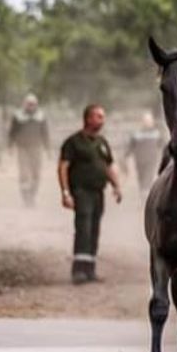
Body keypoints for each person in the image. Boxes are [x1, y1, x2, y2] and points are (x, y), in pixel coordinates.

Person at [58, 104, 122, 284]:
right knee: (83, 228)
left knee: (94, 229)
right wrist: (65, 193)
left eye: (103, 116)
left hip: (98, 192)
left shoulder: (102, 143)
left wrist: (116, 186)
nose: (102, 120)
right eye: (99, 116)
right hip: (81, 191)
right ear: (88, 118)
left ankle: (90, 269)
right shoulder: (73, 142)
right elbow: (63, 167)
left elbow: (107, 166)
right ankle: (78, 270)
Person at [7, 94, 50, 206]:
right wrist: (10, 146)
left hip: (36, 148)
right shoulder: (18, 116)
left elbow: (45, 133)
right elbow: (12, 132)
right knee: (24, 173)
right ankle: (26, 198)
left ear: (36, 105)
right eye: (29, 104)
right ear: (24, 104)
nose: (31, 106)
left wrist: (47, 148)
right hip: (22, 148)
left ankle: (32, 196)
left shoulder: (41, 116)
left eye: (33, 104)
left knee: (36, 173)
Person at [124, 111, 164, 193]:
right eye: (146, 121)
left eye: (149, 121)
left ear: (152, 122)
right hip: (140, 161)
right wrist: (126, 156)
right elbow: (130, 146)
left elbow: (162, 145)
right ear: (142, 122)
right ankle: (143, 193)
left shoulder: (157, 134)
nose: (147, 123)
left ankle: (146, 194)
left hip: (151, 160)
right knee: (141, 178)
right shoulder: (137, 134)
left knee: (148, 178)